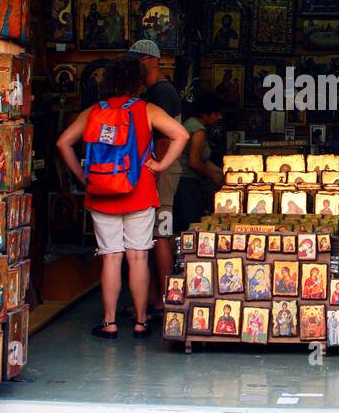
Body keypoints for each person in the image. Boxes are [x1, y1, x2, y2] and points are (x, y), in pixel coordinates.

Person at [57, 54, 188, 339]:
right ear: (138, 83)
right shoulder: (147, 109)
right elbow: (181, 135)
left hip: (101, 193)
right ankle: (141, 321)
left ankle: (109, 322)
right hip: (139, 192)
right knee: (138, 257)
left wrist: (83, 177)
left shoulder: (93, 111)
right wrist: (161, 165)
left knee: (111, 258)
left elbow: (63, 142)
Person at [126, 40, 184, 320]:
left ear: (150, 61)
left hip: (162, 171)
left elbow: (164, 139)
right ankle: (152, 296)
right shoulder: (156, 91)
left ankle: (163, 297)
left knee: (161, 234)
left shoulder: (162, 92)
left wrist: (156, 170)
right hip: (158, 170)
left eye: (136, 61)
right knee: (152, 235)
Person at [174, 93, 225, 231]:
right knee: (189, 225)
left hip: (182, 182)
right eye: (216, 113)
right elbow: (194, 162)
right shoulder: (198, 130)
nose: (219, 117)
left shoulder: (191, 123)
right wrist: (212, 175)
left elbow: (203, 159)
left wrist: (222, 172)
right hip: (186, 184)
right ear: (206, 114)